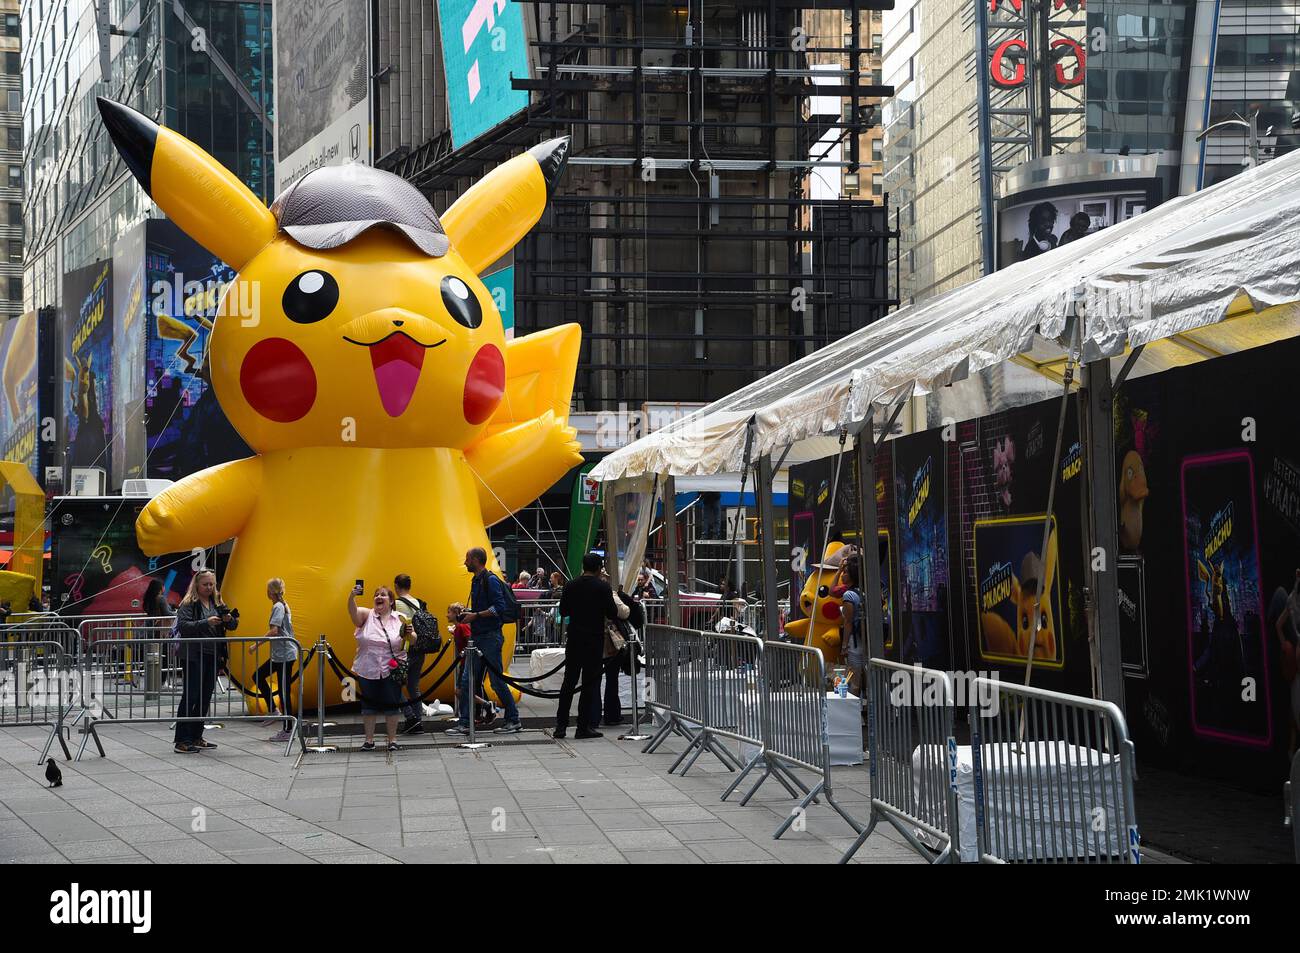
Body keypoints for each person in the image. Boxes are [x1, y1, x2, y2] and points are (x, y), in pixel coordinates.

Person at [446, 547, 522, 735]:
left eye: (467, 559)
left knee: (495, 681)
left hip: (489, 637)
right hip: (480, 637)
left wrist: (475, 615)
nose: (465, 563)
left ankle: (513, 719)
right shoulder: (478, 580)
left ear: (476, 560)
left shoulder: (490, 580)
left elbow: (499, 608)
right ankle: (465, 722)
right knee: (467, 681)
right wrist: (472, 614)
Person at [556, 553, 630, 739]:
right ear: (599, 569)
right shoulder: (602, 587)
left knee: (569, 683)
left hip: (574, 639)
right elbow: (613, 612)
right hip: (594, 640)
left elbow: (563, 610)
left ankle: (561, 726)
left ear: (583, 566)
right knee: (589, 684)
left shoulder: (571, 585)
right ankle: (583, 727)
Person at [173, 569, 237, 754]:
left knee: (205, 697)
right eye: (206, 584)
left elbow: (232, 625)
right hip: (193, 654)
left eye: (212, 584)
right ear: (197, 585)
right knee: (191, 696)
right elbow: (184, 627)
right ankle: (182, 740)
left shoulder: (217, 602)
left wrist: (228, 618)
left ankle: (196, 736)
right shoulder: (188, 604)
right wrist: (206, 622)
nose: (209, 587)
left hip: (212, 654)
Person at [348, 583, 407, 751]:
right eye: (376, 595)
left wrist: (409, 634)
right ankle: (369, 740)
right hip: (367, 666)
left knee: (392, 704)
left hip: (392, 668)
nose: (379, 597)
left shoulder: (400, 618)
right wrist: (351, 597)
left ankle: (392, 740)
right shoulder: (367, 615)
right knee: (368, 705)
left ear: (391, 601)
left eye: (383, 595)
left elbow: (412, 640)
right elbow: (353, 613)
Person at [250, 578, 298, 742]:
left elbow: (274, 630)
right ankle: (273, 710)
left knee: (284, 691)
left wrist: (256, 645)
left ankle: (288, 729)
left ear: (270, 592)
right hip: (280, 655)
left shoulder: (278, 606)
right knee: (258, 675)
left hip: (284, 655)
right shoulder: (281, 605)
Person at [392, 573, 429, 735]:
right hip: (419, 648)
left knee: (394, 685)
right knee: (414, 686)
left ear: (396, 586)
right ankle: (418, 722)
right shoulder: (419, 603)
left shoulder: (396, 604)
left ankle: (410, 716)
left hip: (404, 649)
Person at [838, 557, 866, 695]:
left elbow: (848, 622)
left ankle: (854, 711)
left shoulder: (848, 595)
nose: (843, 575)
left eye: (845, 572)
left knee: (854, 681)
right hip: (868, 640)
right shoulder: (865, 592)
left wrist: (844, 646)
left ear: (852, 576)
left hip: (855, 643)